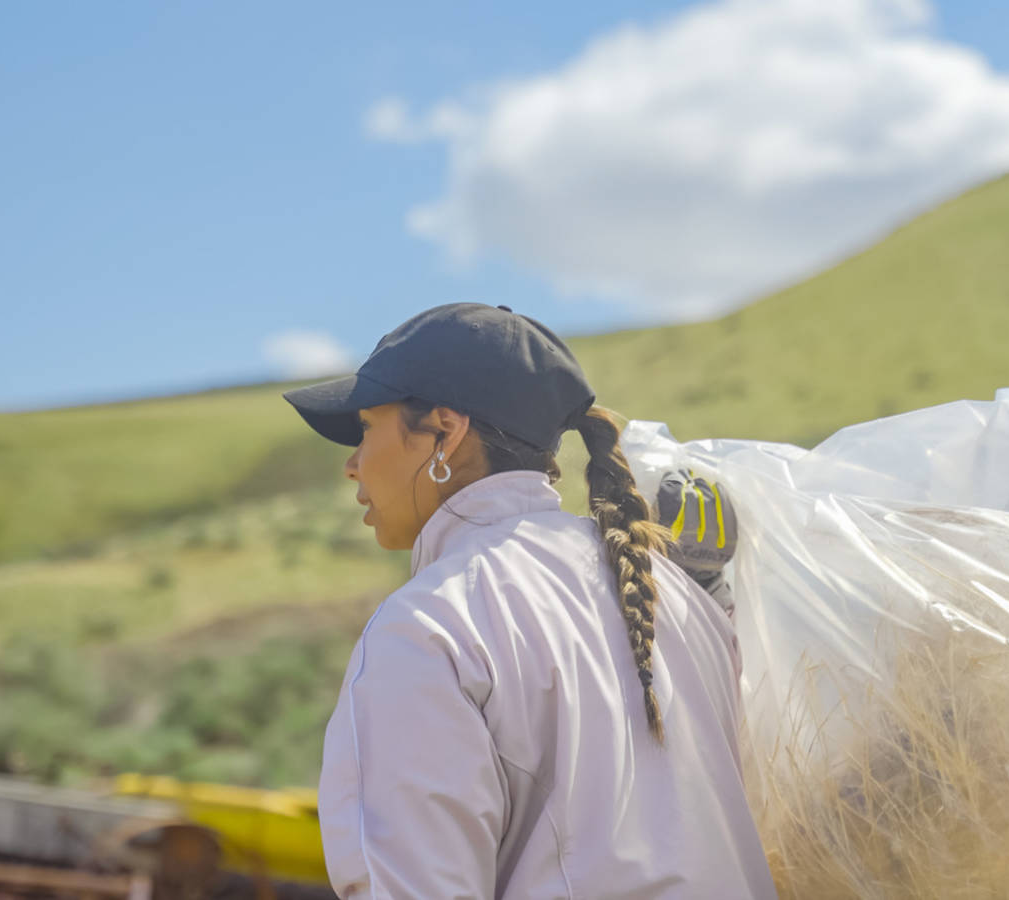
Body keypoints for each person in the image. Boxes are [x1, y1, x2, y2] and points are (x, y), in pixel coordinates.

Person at [282, 303, 776, 900]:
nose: (352, 463)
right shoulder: (666, 591)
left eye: (365, 427)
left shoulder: (427, 627)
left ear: (444, 430)